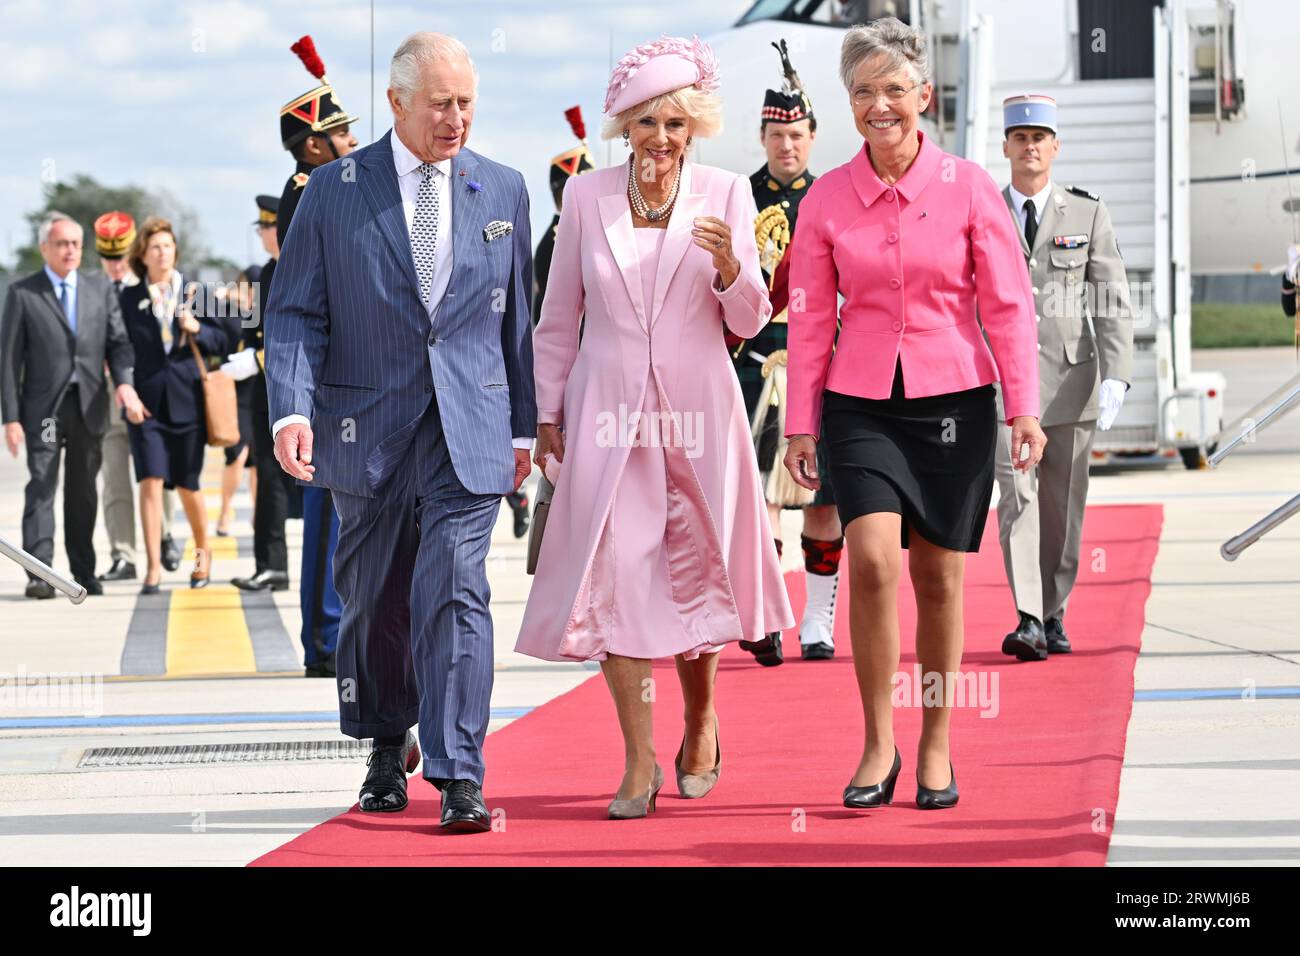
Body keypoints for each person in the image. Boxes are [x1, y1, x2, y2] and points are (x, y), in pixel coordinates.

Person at [515, 35, 794, 819]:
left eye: (675, 123)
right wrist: (545, 413)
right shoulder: (584, 197)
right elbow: (556, 319)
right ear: (624, 128)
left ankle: (701, 716)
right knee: (619, 582)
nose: (661, 138)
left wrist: (737, 271)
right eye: (646, 124)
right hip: (606, 414)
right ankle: (638, 757)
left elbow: (750, 319)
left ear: (696, 124)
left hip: (699, 413)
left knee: (699, 571)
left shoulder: (729, 193)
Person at [265, 32, 536, 832]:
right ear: (396, 104)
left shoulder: (506, 189)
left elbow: (516, 321)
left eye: (466, 103)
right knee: (376, 596)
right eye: (440, 104)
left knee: (456, 588)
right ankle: (387, 741)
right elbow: (294, 311)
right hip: (365, 427)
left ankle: (459, 772)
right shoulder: (333, 190)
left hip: (470, 425)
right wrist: (290, 408)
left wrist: (524, 426)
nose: (456, 119)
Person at [783, 19, 1045, 810]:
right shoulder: (826, 198)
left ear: (923, 96)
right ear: (850, 103)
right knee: (869, 562)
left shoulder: (968, 187)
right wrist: (800, 422)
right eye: (864, 92)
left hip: (954, 401)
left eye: (895, 89)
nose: (880, 105)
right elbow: (805, 315)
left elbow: (1008, 305)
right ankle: (876, 740)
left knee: (937, 576)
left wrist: (1023, 409)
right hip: (859, 402)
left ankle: (935, 739)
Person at [995, 95, 1134, 661]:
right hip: (1005, 388)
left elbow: (1110, 297)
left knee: (1063, 508)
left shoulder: (1087, 212)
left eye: (1039, 138)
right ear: (1005, 147)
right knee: (1017, 502)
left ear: (1055, 147)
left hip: (1071, 382)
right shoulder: (984, 209)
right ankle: (1028, 615)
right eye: (1020, 137)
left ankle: (1054, 612)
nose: (1029, 147)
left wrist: (1117, 374)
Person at [734, 39, 843, 666]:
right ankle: (770, 615)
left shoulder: (832, 197)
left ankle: (819, 619)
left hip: (818, 362)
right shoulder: (736, 196)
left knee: (823, 497)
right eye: (777, 136)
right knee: (761, 499)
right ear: (763, 137)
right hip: (754, 365)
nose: (787, 146)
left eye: (798, 134)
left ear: (811, 135)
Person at [273, 35, 359, 677]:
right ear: (313, 145)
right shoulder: (308, 190)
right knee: (328, 511)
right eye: (342, 135)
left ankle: (332, 634)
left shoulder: (327, 183)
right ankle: (324, 639)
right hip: (330, 375)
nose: (351, 143)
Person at [1, 212, 143, 598]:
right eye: (61, 244)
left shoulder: (100, 289)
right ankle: (40, 573)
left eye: (76, 244)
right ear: (44, 247)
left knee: (82, 490)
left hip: (89, 405)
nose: (70, 251)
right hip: (44, 411)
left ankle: (83, 569)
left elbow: (119, 343)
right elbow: (9, 361)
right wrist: (10, 417)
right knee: (43, 484)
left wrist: (126, 385)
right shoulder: (23, 293)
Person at [119, 216, 227, 593]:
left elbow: (225, 341)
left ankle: (202, 556)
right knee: (149, 480)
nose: (162, 253)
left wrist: (198, 328)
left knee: (188, 484)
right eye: (154, 248)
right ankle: (152, 568)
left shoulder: (197, 292)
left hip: (188, 401)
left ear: (175, 251)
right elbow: (119, 348)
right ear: (143, 256)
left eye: (167, 246)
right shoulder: (129, 297)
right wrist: (125, 388)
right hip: (144, 403)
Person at [232, 196, 294, 596]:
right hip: (262, 391)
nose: (261, 234)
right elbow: (255, 327)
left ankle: (273, 565)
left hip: (283, 391)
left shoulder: (290, 267)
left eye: (266, 227)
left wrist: (256, 358)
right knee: (263, 481)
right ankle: (267, 563)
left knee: (272, 483)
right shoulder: (266, 272)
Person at [213, 263, 262, 537]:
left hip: (258, 388)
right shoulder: (227, 310)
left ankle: (258, 512)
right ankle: (225, 510)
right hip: (233, 392)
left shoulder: (264, 309)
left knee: (257, 459)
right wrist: (228, 298)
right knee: (236, 454)